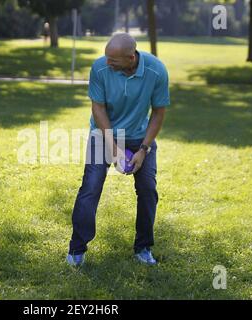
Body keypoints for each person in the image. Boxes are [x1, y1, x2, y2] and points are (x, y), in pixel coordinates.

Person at [67, 33, 170, 266]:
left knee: (148, 189)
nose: (107, 63)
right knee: (91, 186)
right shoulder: (100, 68)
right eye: (106, 58)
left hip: (139, 136)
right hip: (103, 134)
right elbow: (98, 107)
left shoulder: (156, 71)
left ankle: (143, 248)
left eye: (113, 60)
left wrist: (144, 149)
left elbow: (159, 113)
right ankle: (76, 249)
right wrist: (112, 146)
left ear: (131, 57)